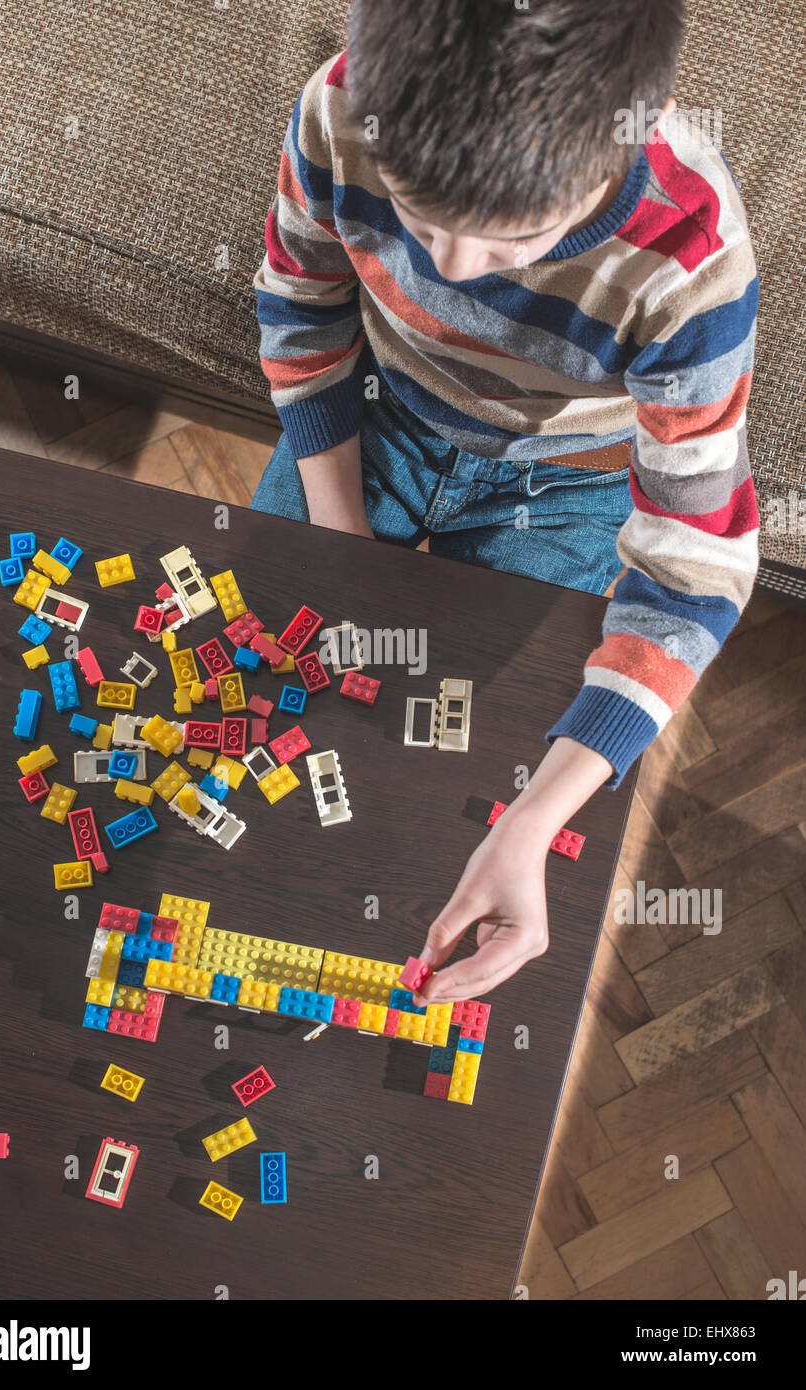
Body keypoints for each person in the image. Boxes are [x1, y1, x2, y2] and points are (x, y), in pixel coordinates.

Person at [250, 0, 759, 1002]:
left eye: (514, 238)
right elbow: (299, 307)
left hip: (569, 486)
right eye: (417, 218)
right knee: (265, 662)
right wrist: (344, 537)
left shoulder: (690, 258)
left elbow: (695, 562)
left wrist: (533, 821)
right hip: (378, 419)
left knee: (471, 757)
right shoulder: (341, 110)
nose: (449, 267)